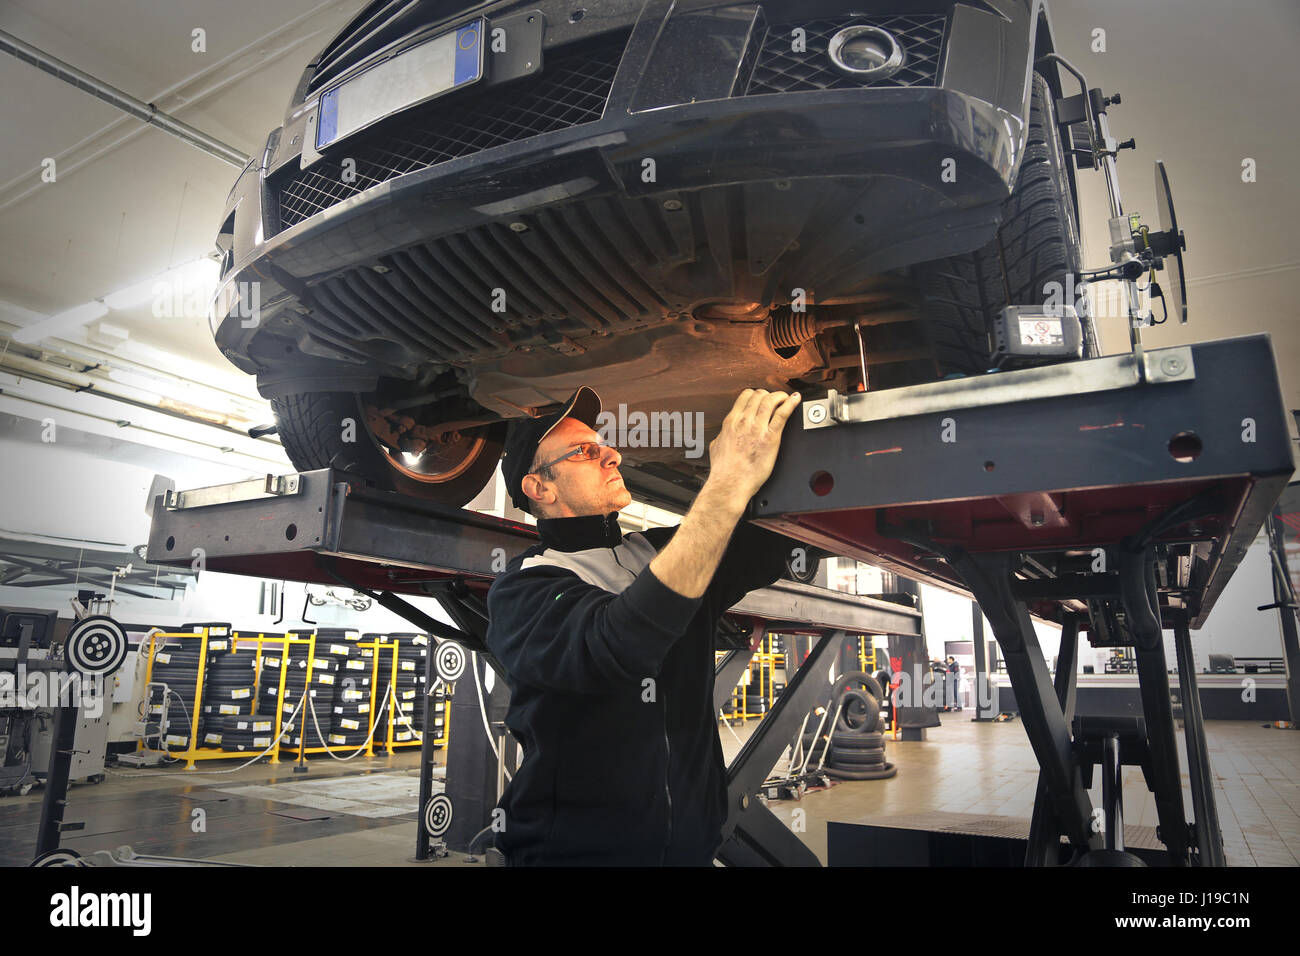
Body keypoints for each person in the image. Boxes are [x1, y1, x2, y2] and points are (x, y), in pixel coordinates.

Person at [485, 385, 803, 865]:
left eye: (605, 445)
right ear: (540, 488)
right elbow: (617, 646)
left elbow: (773, 545)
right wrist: (727, 482)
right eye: (585, 451)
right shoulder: (525, 589)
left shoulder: (657, 549)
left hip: (691, 851)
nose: (611, 454)